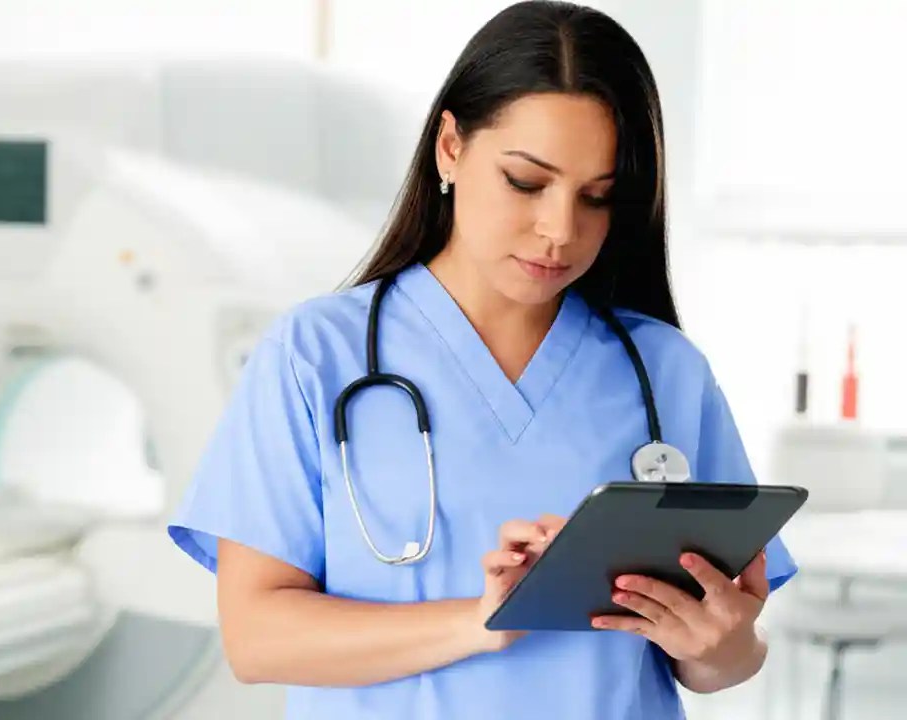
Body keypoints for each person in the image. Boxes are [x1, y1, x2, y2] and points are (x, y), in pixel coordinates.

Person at [167, 1, 797, 717]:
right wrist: (480, 619)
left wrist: (721, 647)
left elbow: (723, 661)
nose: (560, 230)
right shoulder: (314, 356)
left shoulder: (666, 371)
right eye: (526, 182)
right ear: (450, 147)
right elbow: (257, 640)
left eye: (598, 197)